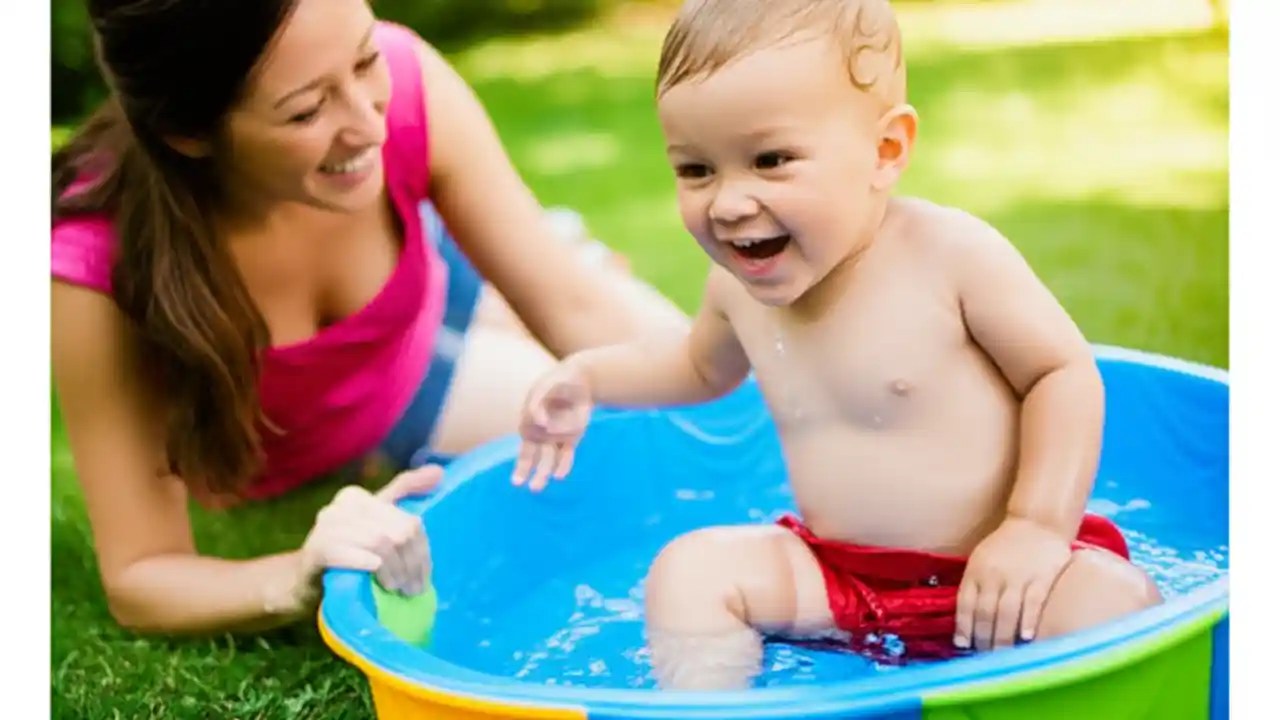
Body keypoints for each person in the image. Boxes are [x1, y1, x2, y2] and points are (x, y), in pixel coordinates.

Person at [513, 0, 1162, 691]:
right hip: (840, 578)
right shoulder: (736, 290)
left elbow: (1061, 374)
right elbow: (696, 366)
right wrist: (589, 376)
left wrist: (1034, 527)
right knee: (688, 571)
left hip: (993, 575)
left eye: (771, 160)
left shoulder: (951, 257)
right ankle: (712, 710)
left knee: (1115, 602)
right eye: (696, 170)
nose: (729, 202)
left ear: (885, 152)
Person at [49, 0, 688, 635]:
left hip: (435, 263)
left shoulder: (408, 82)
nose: (370, 125)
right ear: (190, 132)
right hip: (395, 392)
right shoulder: (98, 262)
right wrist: (297, 571)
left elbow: (574, 310)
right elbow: (142, 576)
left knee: (691, 370)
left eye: (364, 59)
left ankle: (513, 271)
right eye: (306, 110)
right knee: (605, 451)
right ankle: (521, 279)